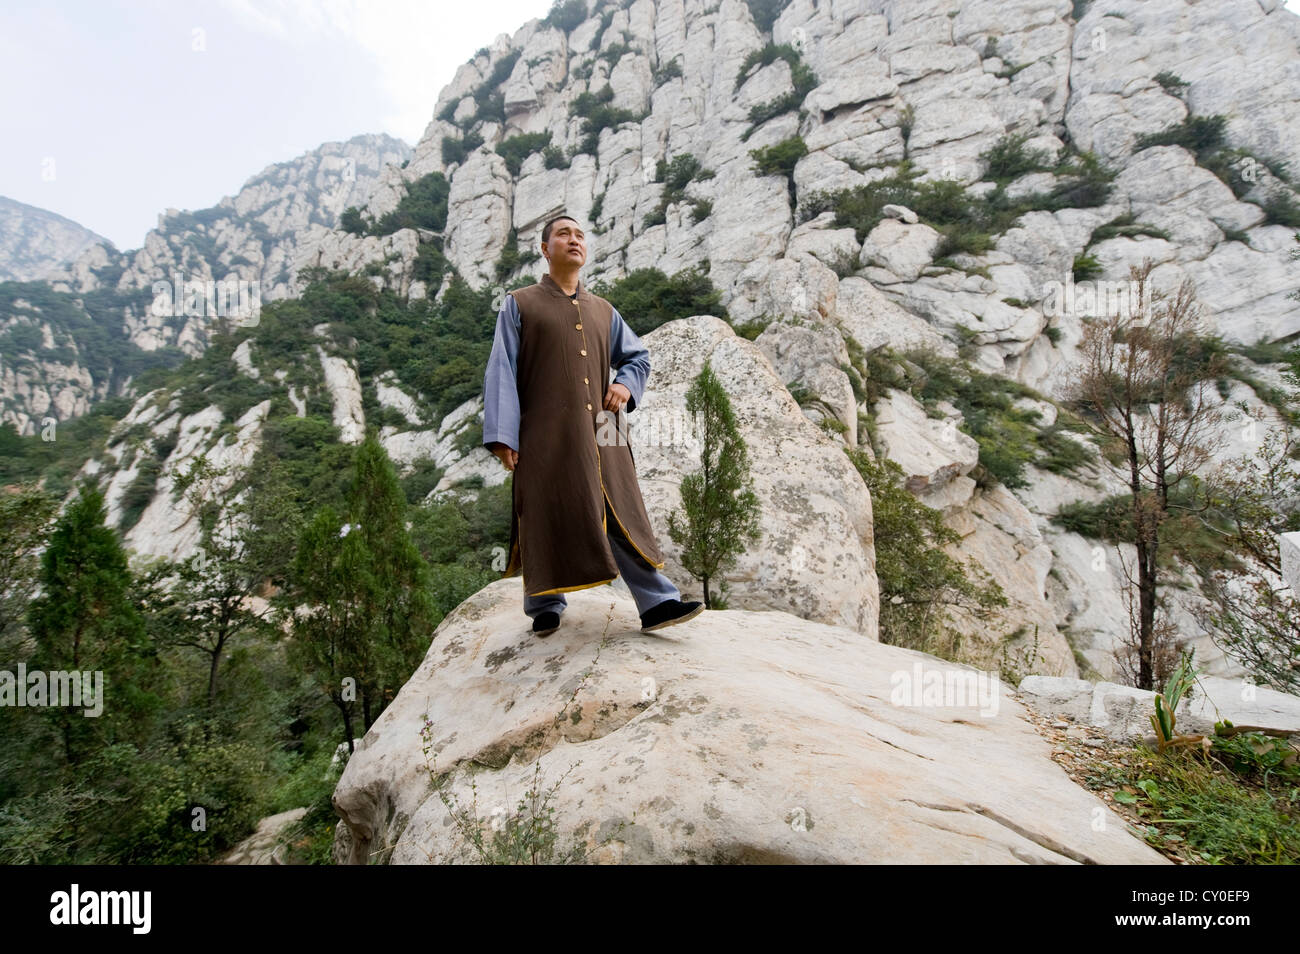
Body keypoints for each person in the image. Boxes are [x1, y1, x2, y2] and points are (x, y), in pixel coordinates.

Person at [481, 213, 703, 636]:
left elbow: (638, 357)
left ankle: (657, 602)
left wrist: (624, 384)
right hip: (544, 428)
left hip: (606, 425)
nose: (574, 240)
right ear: (545, 249)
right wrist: (502, 436)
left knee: (622, 508)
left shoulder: (604, 310)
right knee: (544, 506)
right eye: (563, 234)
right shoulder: (520, 303)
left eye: (580, 234)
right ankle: (544, 602)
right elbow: (501, 369)